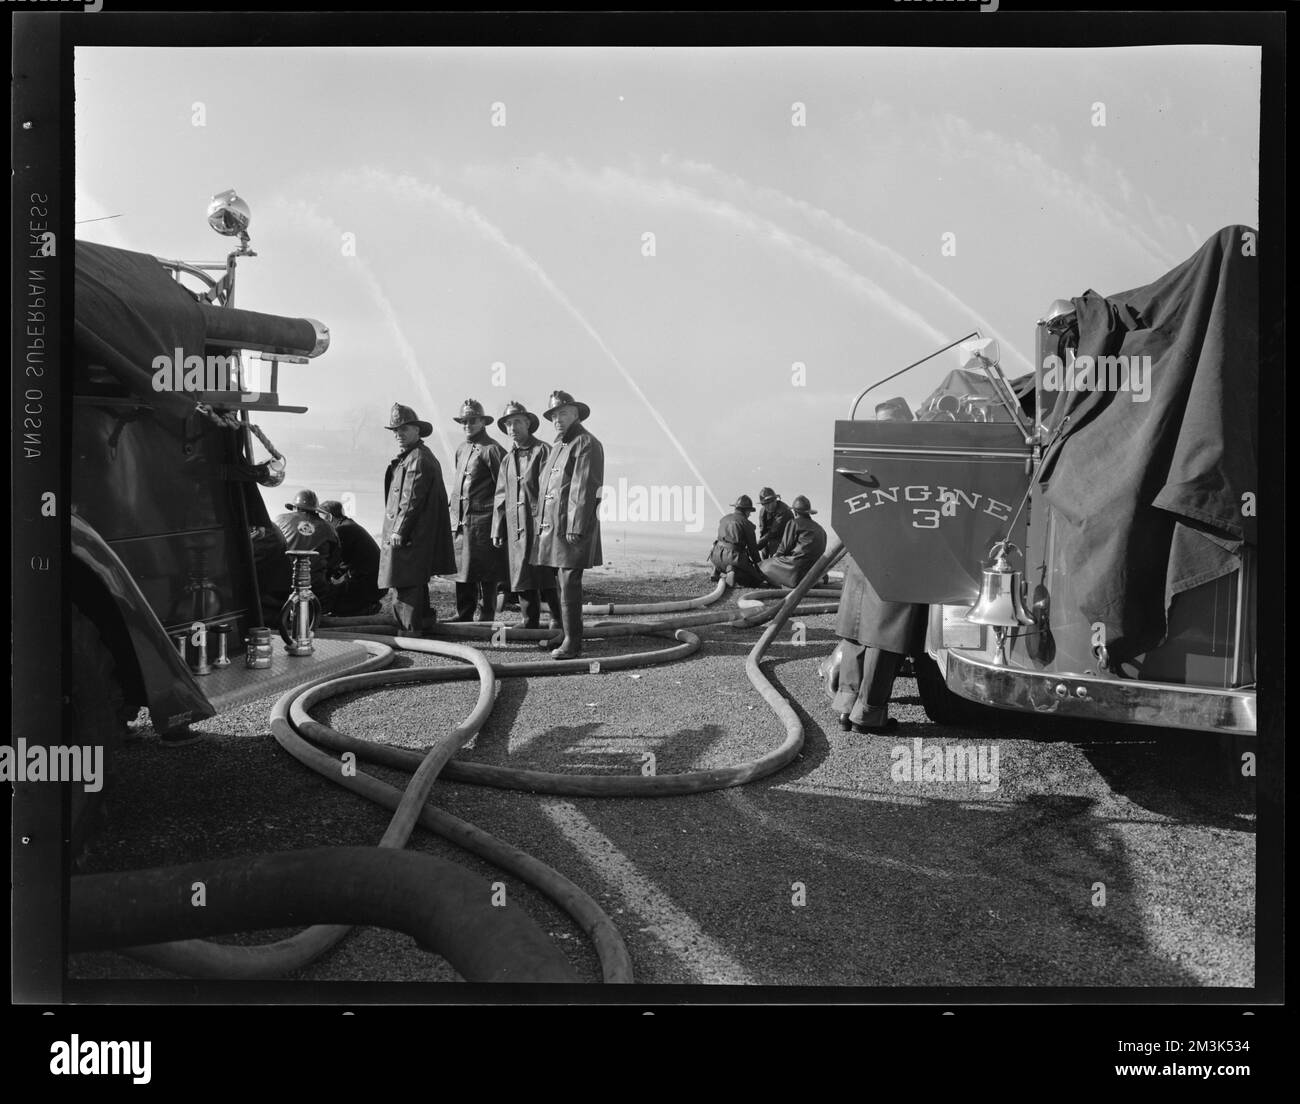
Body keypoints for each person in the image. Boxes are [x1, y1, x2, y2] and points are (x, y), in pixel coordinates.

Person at [531, 389, 604, 659]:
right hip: (553, 526)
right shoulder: (559, 445)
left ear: (575, 413)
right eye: (553, 415)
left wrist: (575, 526)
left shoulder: (585, 442)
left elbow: (584, 489)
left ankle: (573, 642)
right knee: (559, 582)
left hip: (571, 528)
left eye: (562, 413)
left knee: (569, 581)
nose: (557, 419)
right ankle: (563, 632)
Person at [379, 403, 457, 636]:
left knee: (405, 582)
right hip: (417, 535)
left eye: (404, 429)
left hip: (411, 536)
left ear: (417, 431)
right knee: (414, 581)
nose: (398, 434)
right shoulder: (415, 456)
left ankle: (410, 633)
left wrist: (399, 530)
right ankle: (422, 624)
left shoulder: (417, 459)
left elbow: (410, 498)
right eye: (395, 431)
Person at [831, 554, 927, 733]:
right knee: (885, 635)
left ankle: (847, 706)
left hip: (864, 554)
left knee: (857, 633)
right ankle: (868, 716)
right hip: (897, 560)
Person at [492, 401, 564, 630]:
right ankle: (529, 619)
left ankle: (556, 618)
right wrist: (498, 527)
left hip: (539, 524)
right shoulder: (507, 459)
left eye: (517, 422)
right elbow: (500, 496)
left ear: (529, 424)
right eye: (508, 424)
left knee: (544, 572)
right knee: (521, 571)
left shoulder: (543, 451)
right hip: (516, 525)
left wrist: (551, 523)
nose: (512, 428)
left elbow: (554, 489)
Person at [448, 398, 508, 622]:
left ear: (483, 422)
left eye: (472, 421)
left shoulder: (492, 450)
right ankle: (464, 613)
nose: (467, 425)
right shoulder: (462, 449)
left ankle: (487, 613)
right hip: (462, 521)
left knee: (487, 570)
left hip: (484, 521)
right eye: (464, 421)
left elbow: (504, 488)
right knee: (462, 568)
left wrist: (498, 522)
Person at [317, 499, 382, 617]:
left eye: (320, 517)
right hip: (375, 583)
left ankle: (367, 607)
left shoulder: (342, 530)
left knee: (331, 601)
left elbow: (335, 562)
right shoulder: (348, 525)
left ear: (329, 517)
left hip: (368, 584)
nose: (319, 521)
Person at [272, 489, 339, 600]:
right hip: (316, 589)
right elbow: (334, 562)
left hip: (279, 586)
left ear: (295, 507)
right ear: (316, 510)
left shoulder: (279, 520)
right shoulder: (329, 528)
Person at [758, 495, 827, 589]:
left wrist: (773, 560)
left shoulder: (794, 523)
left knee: (763, 566)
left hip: (798, 570)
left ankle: (783, 583)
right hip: (816, 571)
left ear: (795, 512)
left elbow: (784, 548)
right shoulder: (820, 529)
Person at [709, 495, 765, 587]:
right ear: (746, 511)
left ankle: (717, 569)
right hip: (732, 558)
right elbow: (753, 550)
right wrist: (759, 569)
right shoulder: (747, 524)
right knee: (755, 579)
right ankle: (733, 571)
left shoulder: (724, 519)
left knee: (724, 555)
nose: (750, 514)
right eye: (749, 512)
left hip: (715, 555)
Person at [755, 487, 793, 560]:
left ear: (775, 500)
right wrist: (763, 556)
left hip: (785, 543)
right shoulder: (762, 512)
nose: (768, 506)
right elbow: (763, 533)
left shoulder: (784, 511)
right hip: (770, 541)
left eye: (770, 503)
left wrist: (755, 547)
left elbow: (773, 532)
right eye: (765, 504)